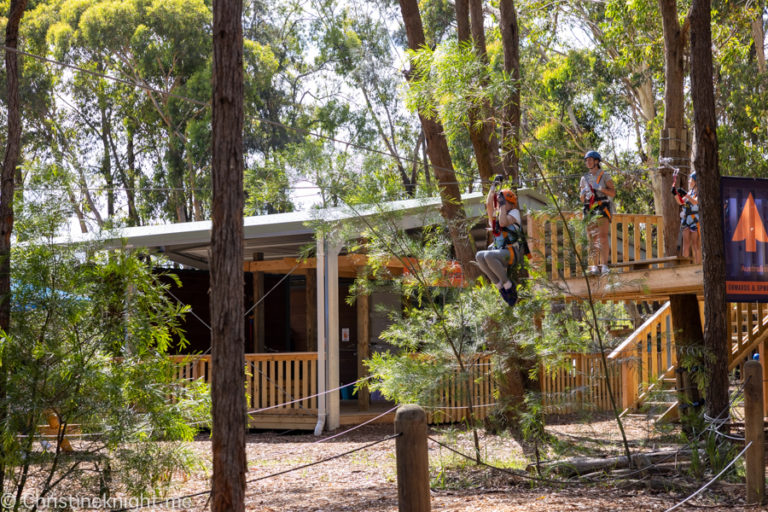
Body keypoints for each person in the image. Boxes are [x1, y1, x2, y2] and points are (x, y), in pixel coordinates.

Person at [475, 176, 525, 307]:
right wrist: (493, 187)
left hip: (511, 252)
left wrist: (502, 206)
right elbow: (489, 205)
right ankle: (500, 286)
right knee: (479, 256)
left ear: (510, 203)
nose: (499, 205)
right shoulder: (496, 217)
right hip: (500, 253)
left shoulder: (514, 213)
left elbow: (503, 222)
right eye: (500, 202)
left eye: (503, 202)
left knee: (488, 255)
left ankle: (508, 285)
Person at [579, 150, 616, 275]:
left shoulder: (604, 175)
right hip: (589, 208)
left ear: (596, 161)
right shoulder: (584, 178)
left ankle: (604, 265)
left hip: (601, 206)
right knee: (592, 238)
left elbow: (612, 193)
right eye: (586, 160)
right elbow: (582, 199)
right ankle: (594, 266)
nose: (588, 162)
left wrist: (599, 187)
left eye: (590, 160)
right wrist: (583, 193)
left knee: (602, 237)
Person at [672, 171, 701, 264]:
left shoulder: (699, 193)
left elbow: (695, 202)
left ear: (696, 181)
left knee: (696, 245)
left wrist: (685, 194)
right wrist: (675, 194)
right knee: (686, 244)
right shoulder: (690, 192)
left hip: (695, 220)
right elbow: (681, 202)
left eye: (691, 180)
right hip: (687, 220)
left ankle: (698, 265)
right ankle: (685, 266)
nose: (689, 181)